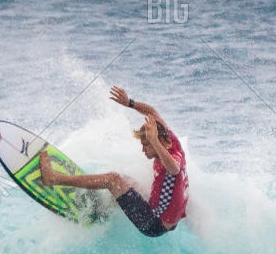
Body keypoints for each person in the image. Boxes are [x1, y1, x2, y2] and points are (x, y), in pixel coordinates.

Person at [37, 86, 189, 237]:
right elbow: (152, 112)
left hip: (153, 223)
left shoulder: (172, 158)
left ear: (159, 140)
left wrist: (153, 141)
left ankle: (53, 178)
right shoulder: (169, 138)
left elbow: (174, 169)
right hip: (166, 216)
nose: (143, 150)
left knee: (113, 180)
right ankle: (102, 211)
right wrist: (129, 102)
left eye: (146, 145)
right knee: (127, 182)